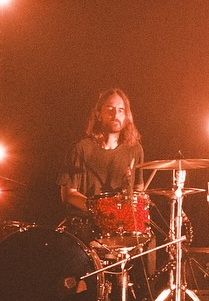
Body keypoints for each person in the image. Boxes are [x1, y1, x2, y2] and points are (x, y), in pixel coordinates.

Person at [58, 87, 146, 235]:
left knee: (149, 239)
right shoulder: (80, 148)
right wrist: (101, 211)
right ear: (98, 114)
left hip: (121, 227)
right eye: (110, 110)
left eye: (120, 110)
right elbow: (68, 194)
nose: (115, 115)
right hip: (87, 226)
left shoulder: (135, 150)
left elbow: (139, 189)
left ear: (126, 116)